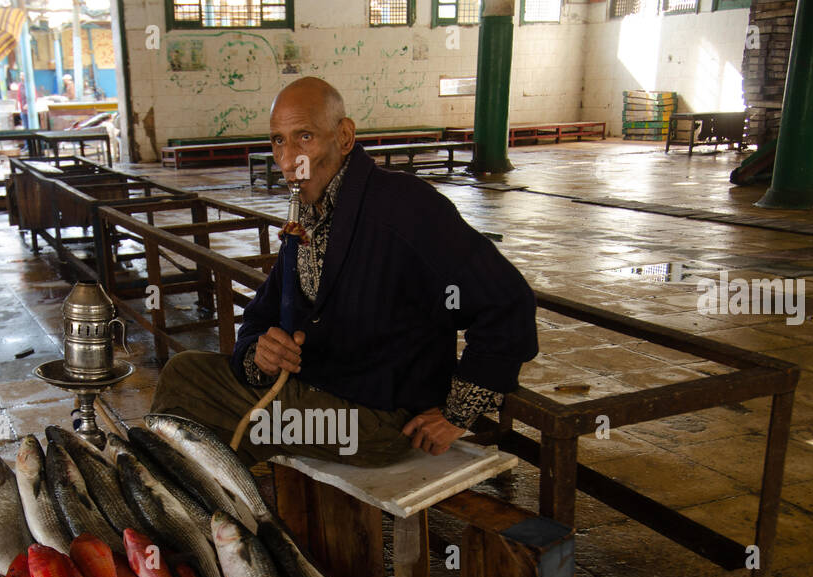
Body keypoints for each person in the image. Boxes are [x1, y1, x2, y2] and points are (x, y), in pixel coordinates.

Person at [150, 77, 537, 467]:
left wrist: (456, 414)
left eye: (304, 137)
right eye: (278, 141)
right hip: (320, 395)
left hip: (376, 424)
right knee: (189, 398)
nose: (287, 161)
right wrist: (259, 354)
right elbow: (262, 315)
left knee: (186, 391)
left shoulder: (405, 206)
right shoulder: (305, 215)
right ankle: (214, 514)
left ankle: (189, 514)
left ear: (345, 136)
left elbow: (508, 301)